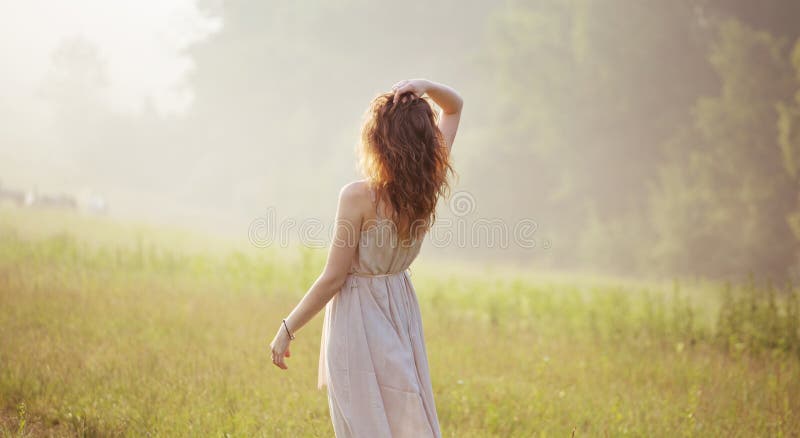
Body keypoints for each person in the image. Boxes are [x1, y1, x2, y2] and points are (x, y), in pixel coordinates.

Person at [269, 78, 463, 437]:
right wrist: (423, 85)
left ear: (379, 140)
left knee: (365, 421)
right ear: (425, 141)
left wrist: (287, 328)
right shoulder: (428, 185)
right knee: (406, 414)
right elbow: (454, 107)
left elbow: (333, 278)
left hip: (358, 315)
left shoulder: (358, 196)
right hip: (399, 306)